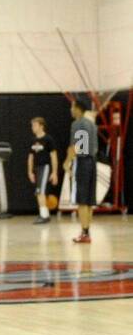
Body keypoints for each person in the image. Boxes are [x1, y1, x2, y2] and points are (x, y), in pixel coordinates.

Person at [65, 99, 100, 243]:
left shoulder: (77, 123)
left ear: (78, 109)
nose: (71, 110)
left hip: (83, 162)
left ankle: (84, 233)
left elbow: (78, 147)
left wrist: (67, 162)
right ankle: (87, 231)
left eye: (72, 107)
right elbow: (95, 147)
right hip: (93, 161)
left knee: (81, 200)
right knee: (89, 200)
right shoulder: (91, 124)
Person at [27, 116, 59, 225]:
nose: (33, 127)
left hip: (45, 167)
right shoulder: (33, 140)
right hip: (36, 168)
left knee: (40, 191)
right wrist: (30, 171)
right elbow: (30, 157)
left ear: (41, 126)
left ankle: (44, 216)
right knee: (38, 192)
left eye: (35, 125)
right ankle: (43, 214)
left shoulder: (48, 139)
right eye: (32, 125)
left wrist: (54, 172)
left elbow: (53, 156)